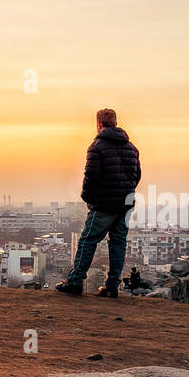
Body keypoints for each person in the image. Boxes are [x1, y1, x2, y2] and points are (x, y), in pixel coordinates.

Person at [56, 108, 141, 299]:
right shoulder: (132, 148)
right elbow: (137, 176)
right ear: (116, 123)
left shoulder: (97, 146)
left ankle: (75, 281)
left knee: (87, 240)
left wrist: (88, 198)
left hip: (104, 204)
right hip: (125, 205)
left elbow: (90, 178)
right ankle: (112, 286)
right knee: (118, 244)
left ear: (99, 124)